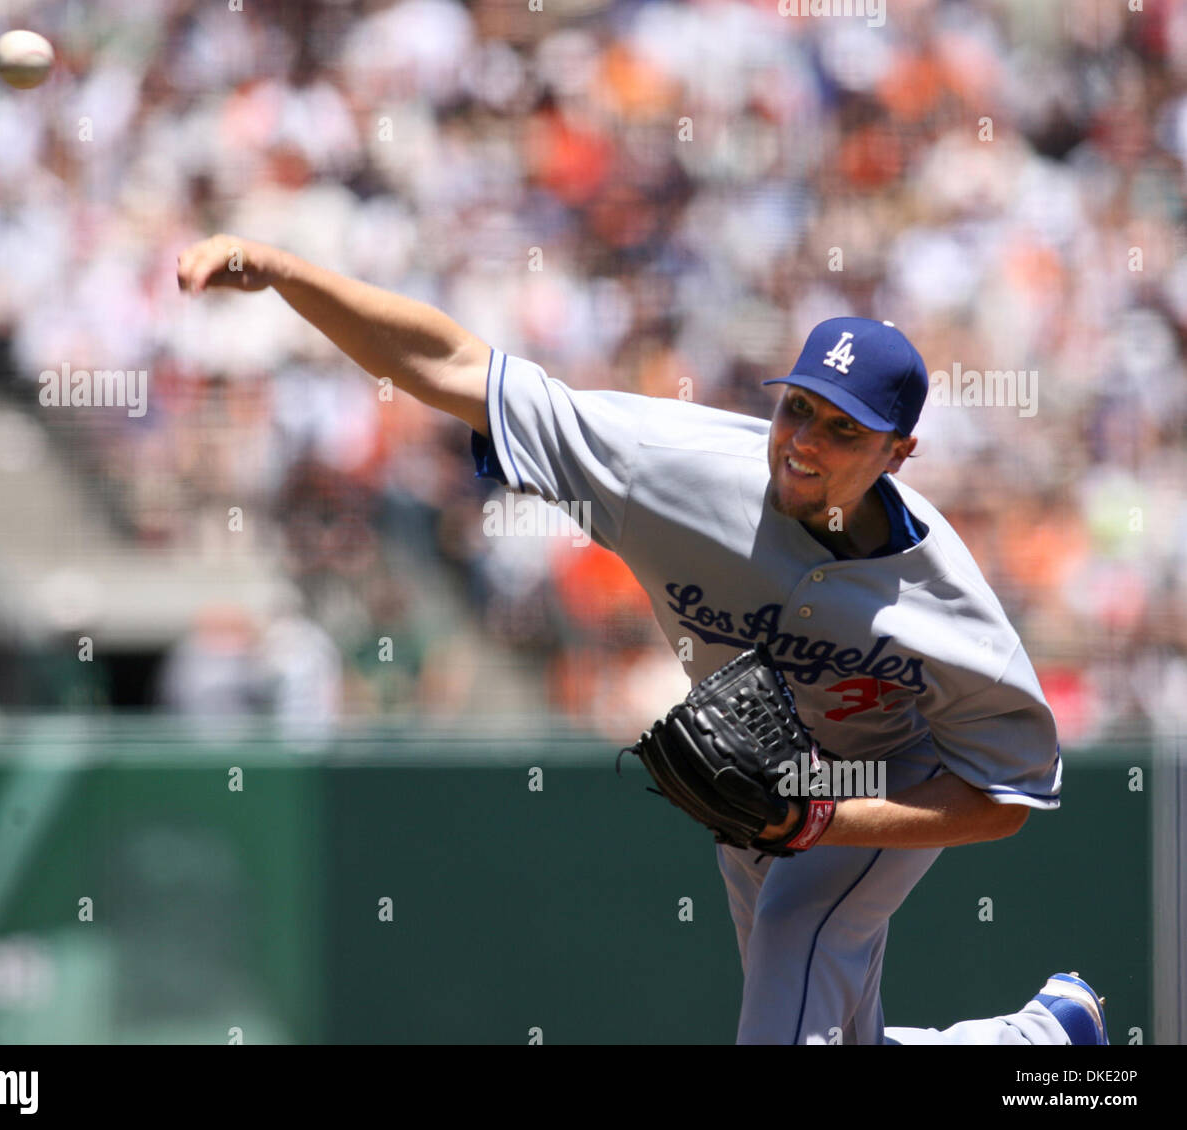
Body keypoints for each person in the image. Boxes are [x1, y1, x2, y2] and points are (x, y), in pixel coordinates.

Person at [175, 233, 1109, 1045]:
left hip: (881, 783)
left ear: (898, 454)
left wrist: (827, 819)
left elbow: (1003, 800)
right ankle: (1037, 1041)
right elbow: (458, 366)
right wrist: (288, 272)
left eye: (843, 428)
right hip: (751, 777)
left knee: (798, 932)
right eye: (797, 408)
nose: (804, 443)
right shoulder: (669, 468)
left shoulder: (947, 608)